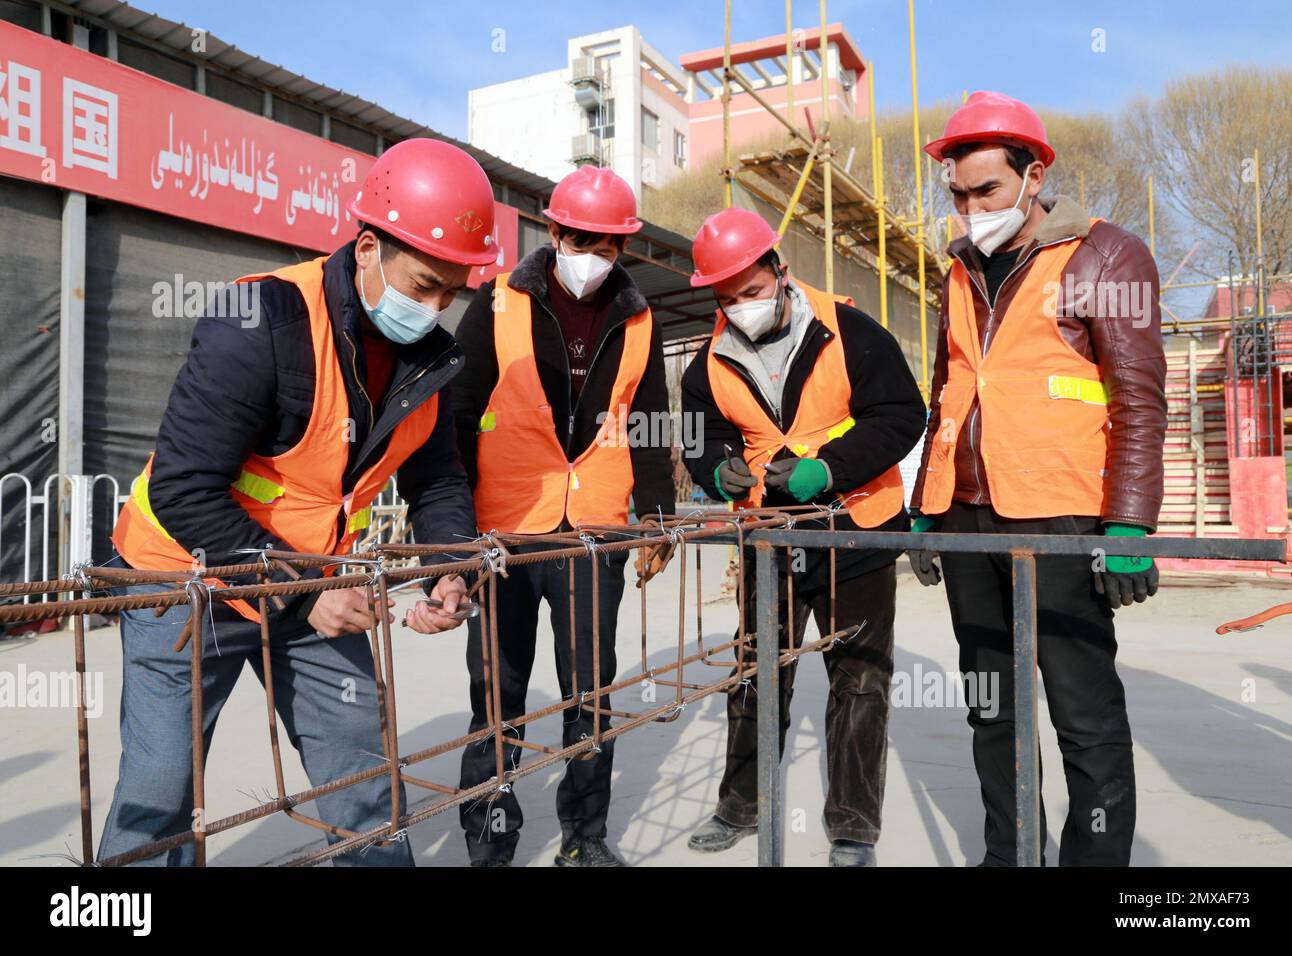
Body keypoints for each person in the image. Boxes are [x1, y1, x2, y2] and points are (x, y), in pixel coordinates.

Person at [101, 138, 495, 865]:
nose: (436, 307)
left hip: (311, 582)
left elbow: (436, 480)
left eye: (451, 292)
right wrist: (304, 589)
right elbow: (182, 487)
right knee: (157, 793)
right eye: (424, 284)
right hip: (184, 583)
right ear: (369, 246)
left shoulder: (431, 362)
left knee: (363, 771)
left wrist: (449, 568)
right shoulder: (262, 320)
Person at [909, 91, 1167, 866]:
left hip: (1061, 521)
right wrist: (926, 506)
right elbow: (946, 394)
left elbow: (1140, 398)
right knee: (993, 711)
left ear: (1033, 174)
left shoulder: (1104, 254)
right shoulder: (959, 271)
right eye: (956, 193)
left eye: (984, 189)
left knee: (1083, 715)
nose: (967, 207)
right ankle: (1008, 854)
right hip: (968, 519)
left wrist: (1127, 524)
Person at [681, 207, 926, 866]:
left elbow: (904, 414)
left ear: (780, 271)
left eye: (752, 292)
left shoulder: (850, 330)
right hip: (770, 535)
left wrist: (830, 467)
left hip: (857, 530)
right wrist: (719, 472)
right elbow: (702, 440)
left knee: (860, 680)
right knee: (757, 673)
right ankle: (740, 805)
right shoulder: (707, 365)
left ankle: (852, 828)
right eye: (726, 299)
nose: (741, 308)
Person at [451, 166, 675, 866]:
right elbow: (458, 415)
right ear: (554, 231)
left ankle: (585, 835)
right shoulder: (496, 305)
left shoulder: (638, 318)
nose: (594, 255)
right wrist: (454, 530)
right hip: (506, 532)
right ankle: (491, 839)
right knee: (498, 691)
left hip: (593, 532)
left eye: (609, 244)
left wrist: (658, 513)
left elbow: (650, 419)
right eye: (583, 238)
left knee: (590, 694)